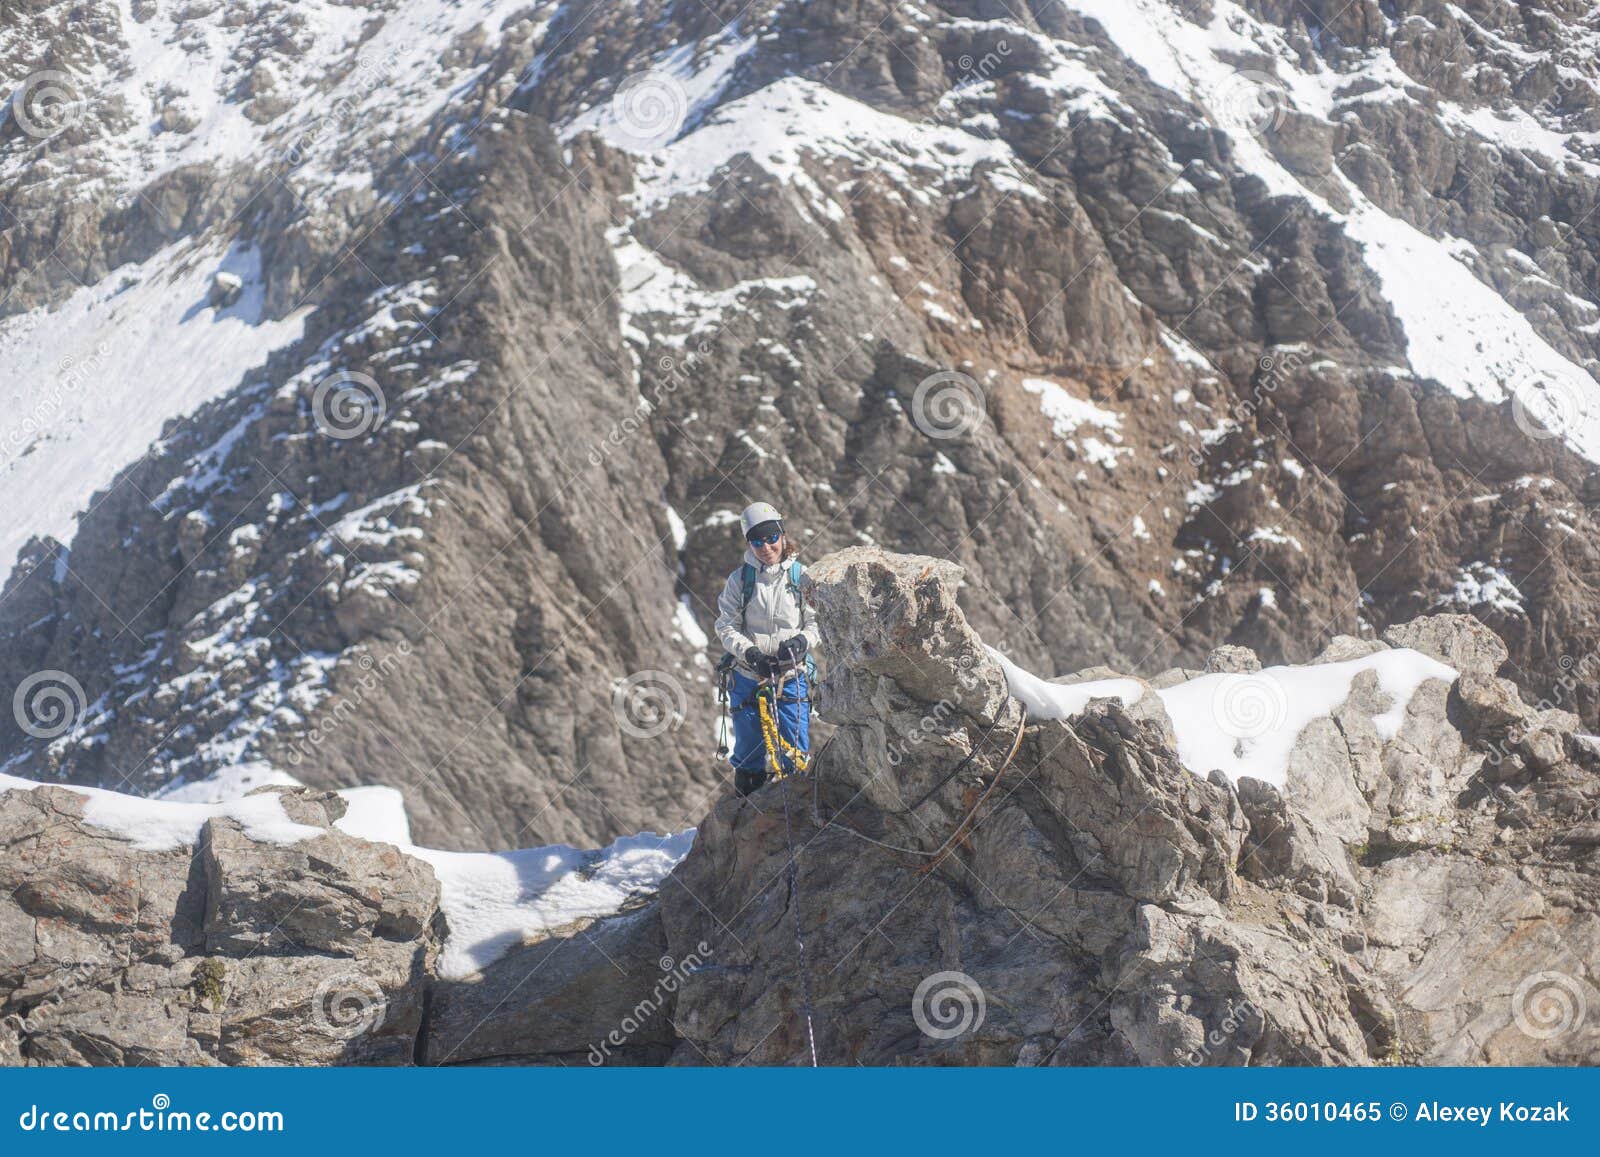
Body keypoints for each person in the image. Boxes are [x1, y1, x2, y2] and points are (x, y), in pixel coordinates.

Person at [713, 501, 819, 796]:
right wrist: (750, 653)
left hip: (790, 675)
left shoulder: (801, 577)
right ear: (749, 543)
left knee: (795, 751)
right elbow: (726, 626)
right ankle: (749, 813)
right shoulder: (740, 580)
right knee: (748, 755)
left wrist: (801, 642)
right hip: (749, 677)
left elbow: (817, 621)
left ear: (783, 536)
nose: (766, 546)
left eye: (772, 537)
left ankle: (797, 809)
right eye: (757, 540)